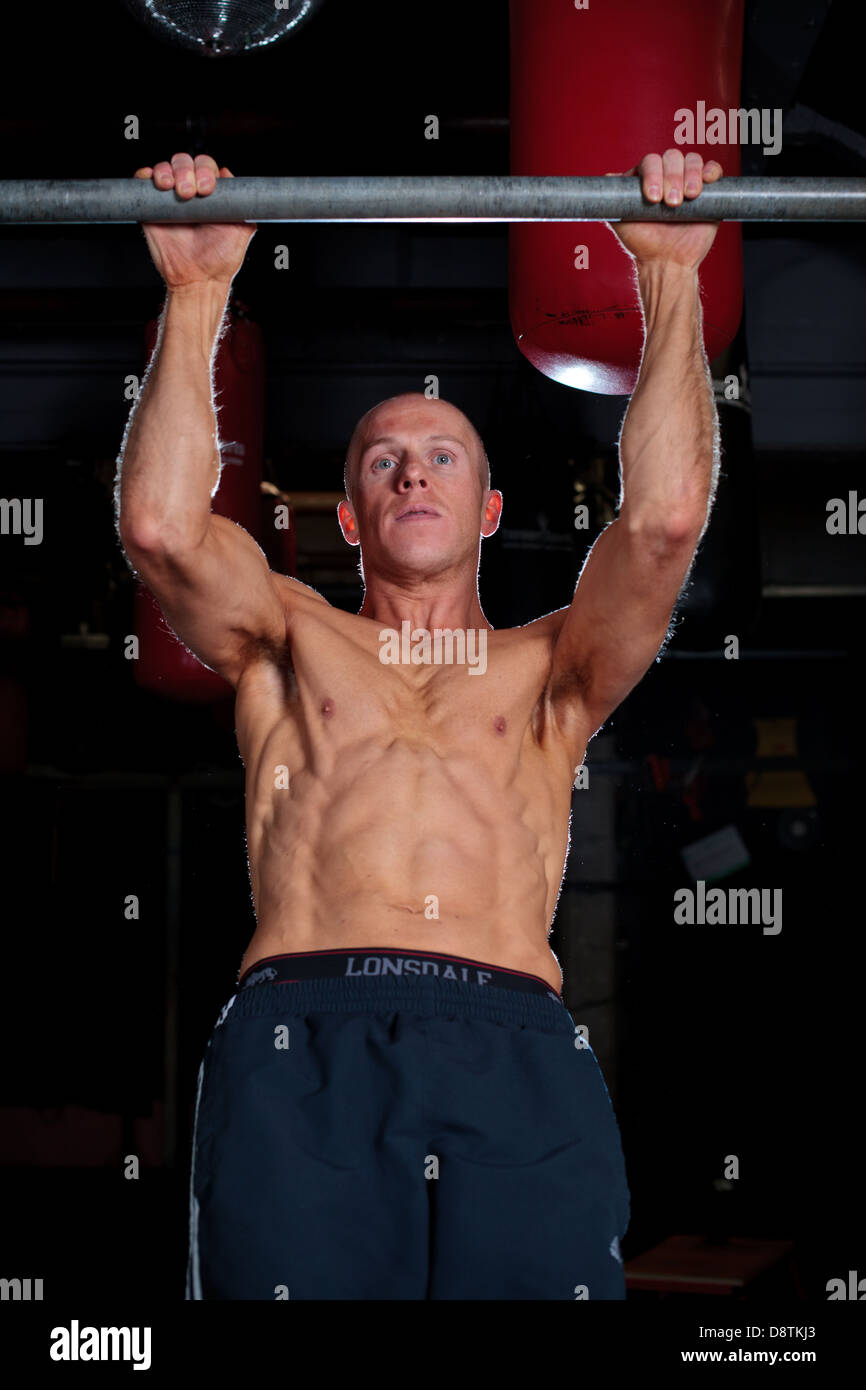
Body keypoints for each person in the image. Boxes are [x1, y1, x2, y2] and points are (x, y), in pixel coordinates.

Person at [116, 148, 722, 1300]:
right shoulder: (285, 638)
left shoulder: (550, 668)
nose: (412, 475)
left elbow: (662, 525)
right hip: (304, 1043)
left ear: (487, 508)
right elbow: (158, 527)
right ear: (347, 512)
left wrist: (668, 276)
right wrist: (197, 294)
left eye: (441, 455)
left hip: (510, 1041)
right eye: (383, 460)